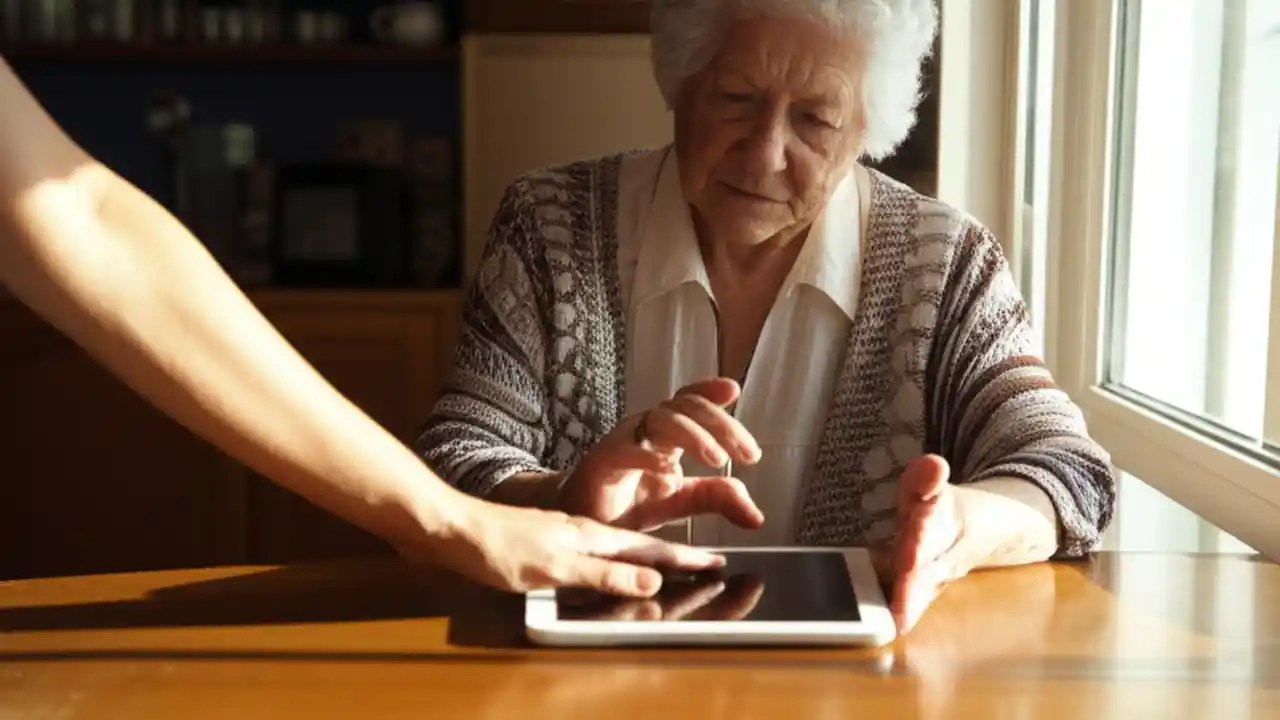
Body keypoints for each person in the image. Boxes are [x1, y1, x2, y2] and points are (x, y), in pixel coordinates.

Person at [419, 0, 1117, 631]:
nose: (764, 153)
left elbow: (1067, 471)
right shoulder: (550, 224)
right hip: (592, 685)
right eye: (734, 99)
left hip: (855, 698)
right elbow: (452, 461)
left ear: (869, 128)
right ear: (680, 84)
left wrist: (956, 530)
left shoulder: (947, 260)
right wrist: (564, 495)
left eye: (815, 118)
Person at [0, 57, 731, 598]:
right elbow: (78, 225)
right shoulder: (549, 216)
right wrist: (454, 518)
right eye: (737, 101)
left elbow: (78, 219)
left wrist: (452, 521)